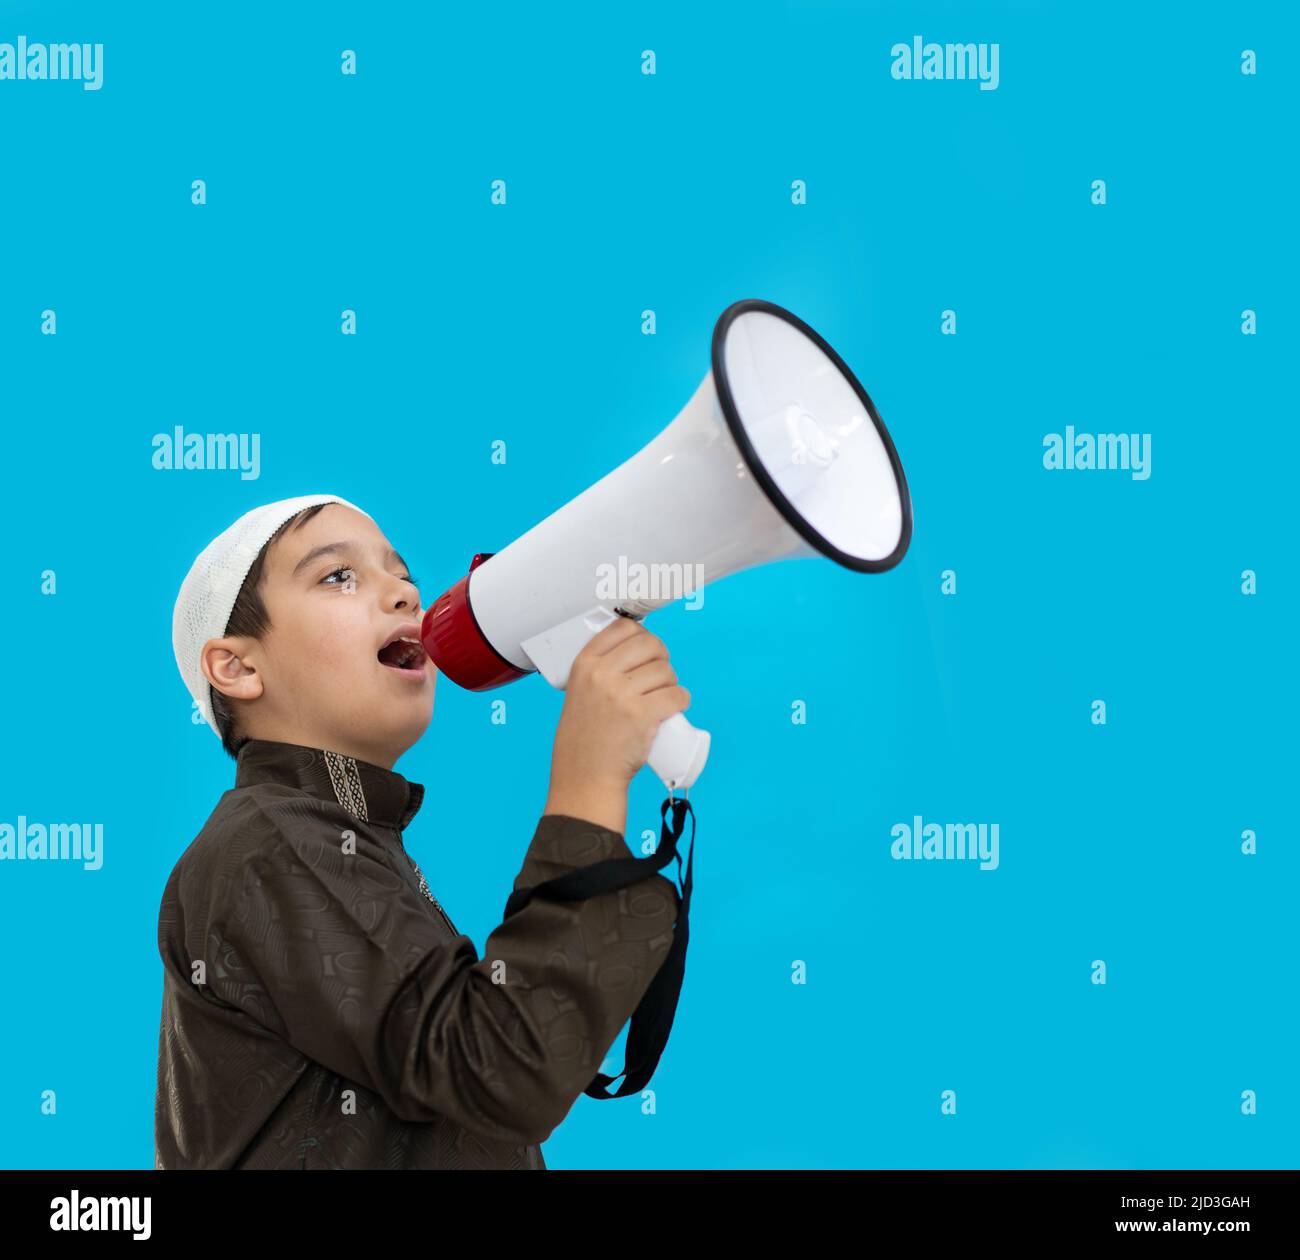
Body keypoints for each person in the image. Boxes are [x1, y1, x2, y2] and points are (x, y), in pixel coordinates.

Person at [156, 493, 690, 1169]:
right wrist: (589, 787)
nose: (404, 592)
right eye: (337, 577)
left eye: (400, 571)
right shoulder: (270, 841)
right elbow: (501, 1066)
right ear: (238, 667)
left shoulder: (337, 835)